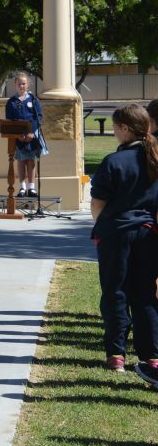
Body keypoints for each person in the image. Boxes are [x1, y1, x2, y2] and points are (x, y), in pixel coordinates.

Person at [89, 103, 158, 372]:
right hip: (148, 233)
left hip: (116, 234)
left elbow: (97, 203)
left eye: (116, 127)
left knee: (116, 293)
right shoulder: (154, 157)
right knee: (145, 295)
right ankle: (151, 356)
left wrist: (103, 227)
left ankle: (116, 354)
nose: (114, 132)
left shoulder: (114, 161)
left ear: (125, 129)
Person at [5, 72, 45, 197]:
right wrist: (17, 135)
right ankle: (22, 187)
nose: (21, 86)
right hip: (18, 136)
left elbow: (39, 117)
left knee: (31, 161)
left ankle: (31, 188)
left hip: (31, 136)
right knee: (21, 160)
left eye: (24, 84)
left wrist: (32, 132)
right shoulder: (11, 102)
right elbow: (9, 119)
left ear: (27, 85)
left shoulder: (33, 100)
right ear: (15, 85)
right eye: (19, 84)